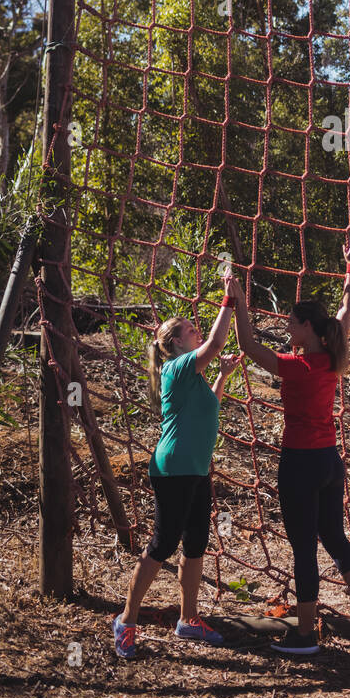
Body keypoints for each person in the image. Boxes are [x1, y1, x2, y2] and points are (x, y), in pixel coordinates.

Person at [224, 245, 350, 657]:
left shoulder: (294, 366)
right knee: (334, 537)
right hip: (329, 462)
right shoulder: (332, 356)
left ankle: (304, 635)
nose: (287, 328)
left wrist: (237, 301)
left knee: (304, 547)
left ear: (307, 328)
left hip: (299, 463)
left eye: (292, 323)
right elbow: (346, 307)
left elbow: (246, 345)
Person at [112, 267, 238, 660]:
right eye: (190, 331)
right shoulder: (176, 367)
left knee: (197, 543)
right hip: (173, 470)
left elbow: (210, 406)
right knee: (163, 544)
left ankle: (189, 619)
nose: (197, 333)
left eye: (196, 330)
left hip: (196, 470)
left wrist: (222, 377)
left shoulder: (193, 377)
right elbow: (217, 340)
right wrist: (229, 298)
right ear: (176, 343)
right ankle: (126, 620)